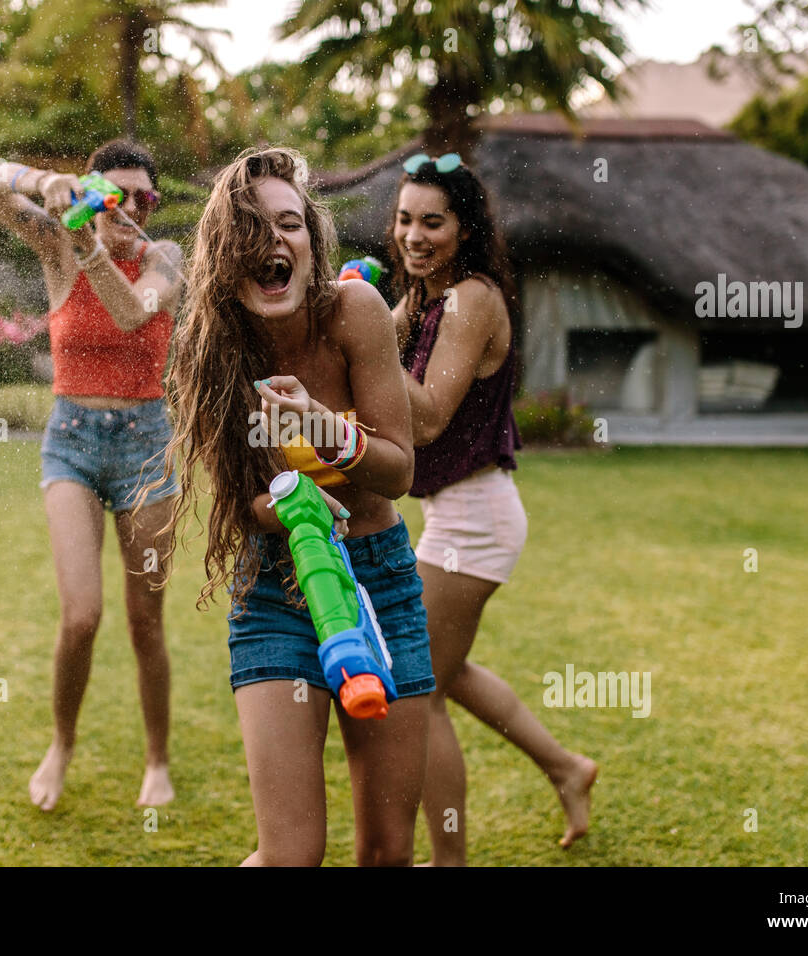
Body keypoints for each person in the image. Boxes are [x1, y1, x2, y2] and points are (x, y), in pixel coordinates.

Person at [138, 146, 434, 866]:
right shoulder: (212, 351)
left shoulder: (355, 312)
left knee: (387, 855)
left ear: (313, 241)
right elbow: (244, 507)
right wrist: (293, 507)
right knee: (292, 855)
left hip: (381, 585)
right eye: (251, 229)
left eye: (290, 225)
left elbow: (397, 469)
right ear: (224, 255)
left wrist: (321, 430)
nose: (274, 243)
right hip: (276, 586)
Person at [387, 151, 598, 864]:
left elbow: (427, 418)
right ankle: (568, 768)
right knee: (447, 672)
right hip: (457, 515)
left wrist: (364, 341)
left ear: (466, 228)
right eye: (405, 219)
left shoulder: (471, 300)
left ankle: (449, 861)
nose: (414, 236)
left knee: (420, 694)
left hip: (475, 520)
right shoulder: (422, 298)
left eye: (433, 223)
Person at [0, 139, 183, 811]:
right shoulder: (57, 244)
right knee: (82, 615)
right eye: (114, 195)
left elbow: (131, 312)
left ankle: (157, 759)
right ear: (92, 195)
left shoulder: (163, 258)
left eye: (142, 198)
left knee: (146, 621)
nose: (130, 209)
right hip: (73, 443)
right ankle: (61, 745)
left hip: (146, 444)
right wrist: (43, 181)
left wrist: (89, 238)